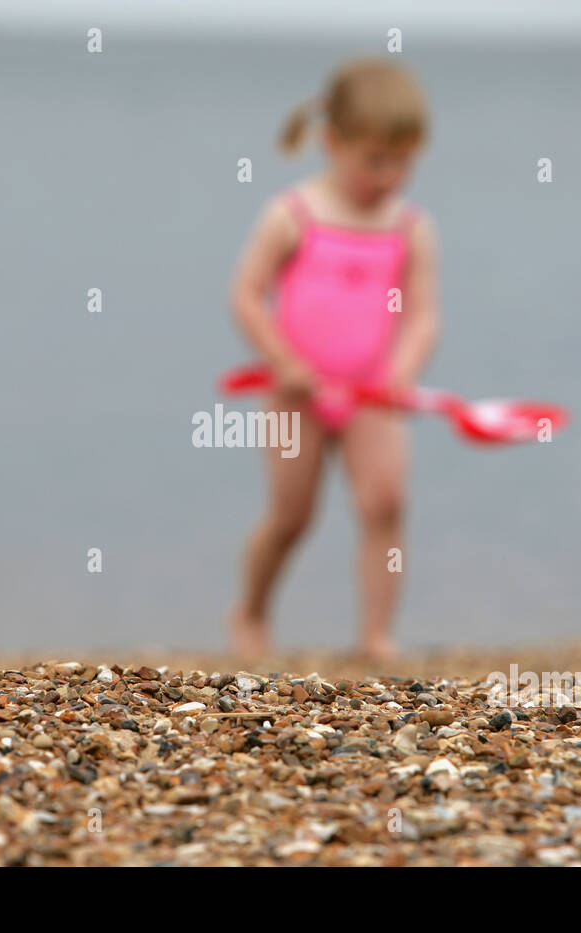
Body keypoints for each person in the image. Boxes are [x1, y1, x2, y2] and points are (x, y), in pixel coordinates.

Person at [228, 57, 440, 663]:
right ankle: (250, 613)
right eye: (376, 160)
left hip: (374, 394)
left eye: (404, 162)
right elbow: (245, 294)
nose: (391, 176)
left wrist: (405, 369)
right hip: (299, 395)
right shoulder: (294, 216)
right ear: (332, 142)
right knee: (292, 518)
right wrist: (282, 360)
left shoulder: (410, 227)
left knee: (386, 504)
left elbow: (424, 313)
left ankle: (375, 636)